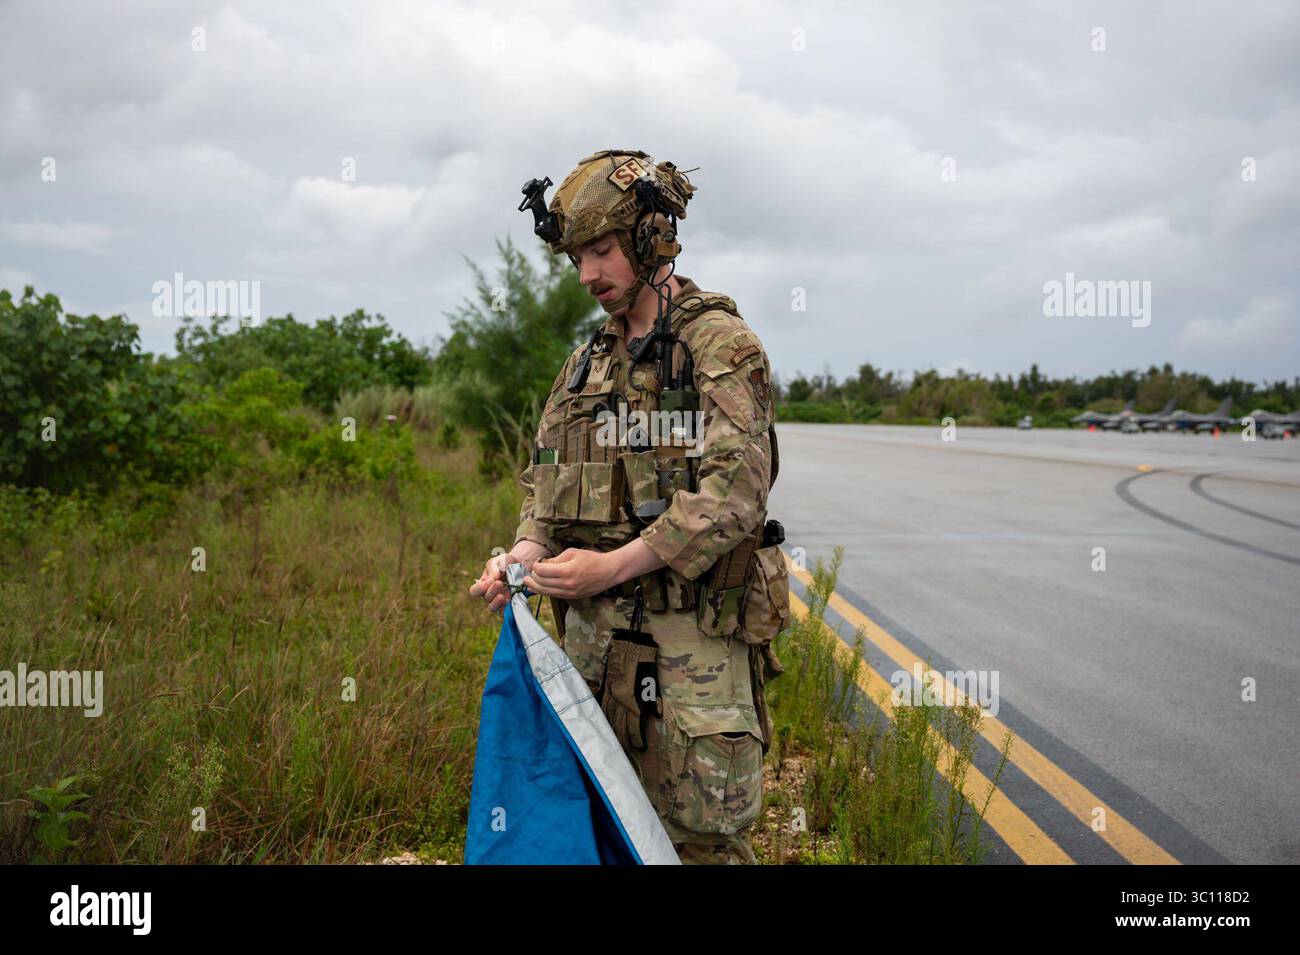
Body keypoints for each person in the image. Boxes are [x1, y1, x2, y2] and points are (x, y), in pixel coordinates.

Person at [470, 148, 789, 865]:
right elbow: (543, 484)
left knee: (699, 844)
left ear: (650, 238)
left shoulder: (719, 346)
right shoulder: (587, 364)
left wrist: (609, 567)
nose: (588, 275)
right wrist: (521, 558)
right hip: (595, 658)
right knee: (601, 838)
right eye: (578, 257)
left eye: (603, 251)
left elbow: (734, 495)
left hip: (692, 654)